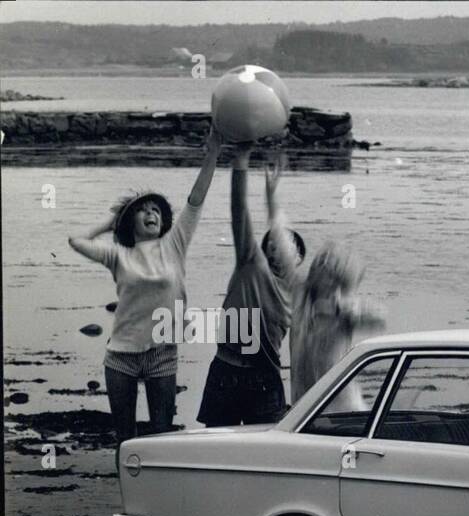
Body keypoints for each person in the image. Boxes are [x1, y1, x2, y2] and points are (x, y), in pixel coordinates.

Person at [68, 127, 222, 445]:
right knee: (125, 439)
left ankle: (158, 495)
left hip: (162, 353)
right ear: (131, 223)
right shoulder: (118, 255)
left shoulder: (175, 244)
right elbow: (76, 241)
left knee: (162, 438)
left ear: (162, 221)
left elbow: (195, 201)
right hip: (121, 355)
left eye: (155, 210)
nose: (150, 213)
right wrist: (109, 223)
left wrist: (213, 153)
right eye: (141, 210)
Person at [197, 148, 306, 426]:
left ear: (298, 258)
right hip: (227, 371)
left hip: (265, 378)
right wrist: (240, 162)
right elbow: (239, 210)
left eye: (283, 246)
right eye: (270, 245)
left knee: (264, 454)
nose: (276, 249)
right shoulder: (251, 264)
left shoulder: (297, 291)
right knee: (216, 450)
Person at [289, 241, 385, 404]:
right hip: (303, 403)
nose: (320, 271)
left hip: (339, 404)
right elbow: (285, 271)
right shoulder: (302, 299)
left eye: (328, 270)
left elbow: (379, 319)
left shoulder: (345, 307)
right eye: (320, 265)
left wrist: (340, 309)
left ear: (339, 279)